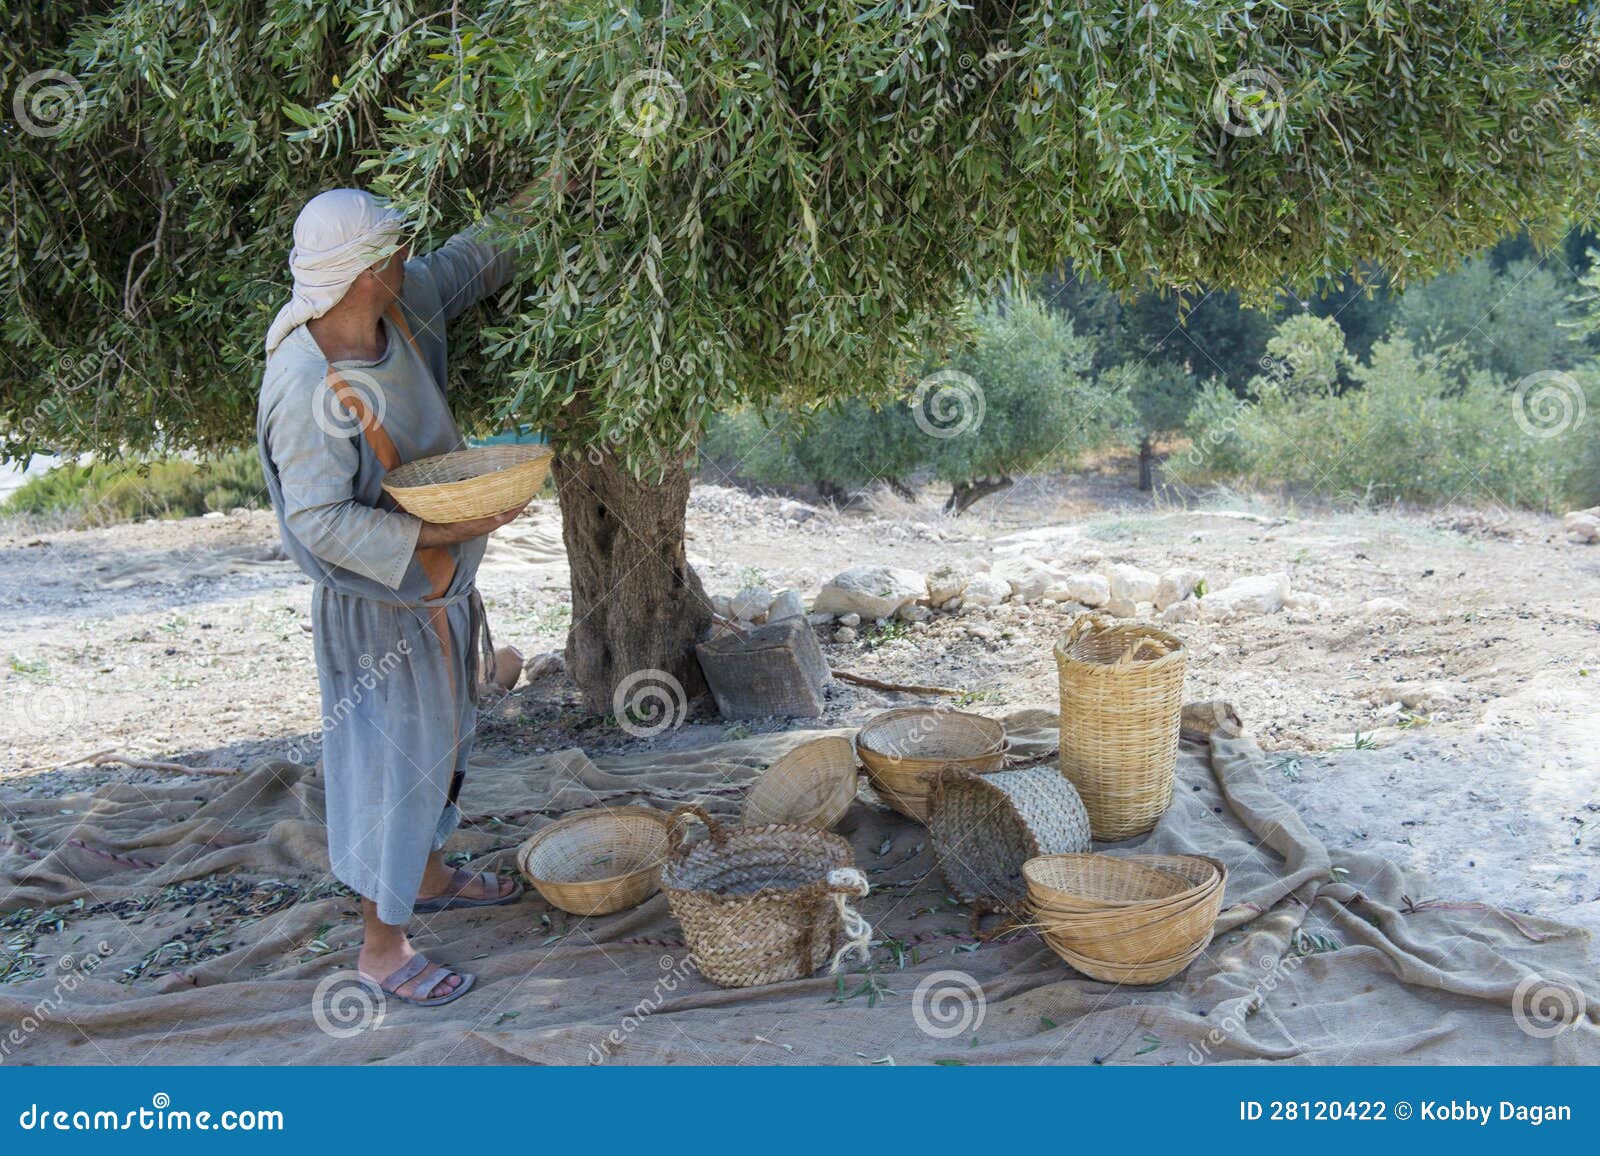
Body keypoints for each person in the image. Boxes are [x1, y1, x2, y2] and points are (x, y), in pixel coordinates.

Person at [256, 188, 527, 1007]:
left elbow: (467, 263)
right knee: (390, 770)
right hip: (376, 611)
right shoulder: (305, 383)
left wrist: (553, 197)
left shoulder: (394, 310)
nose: (409, 256)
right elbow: (320, 524)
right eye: (397, 248)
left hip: (432, 593)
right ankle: (382, 949)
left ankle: (431, 872)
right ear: (369, 268)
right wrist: (447, 533)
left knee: (441, 750)